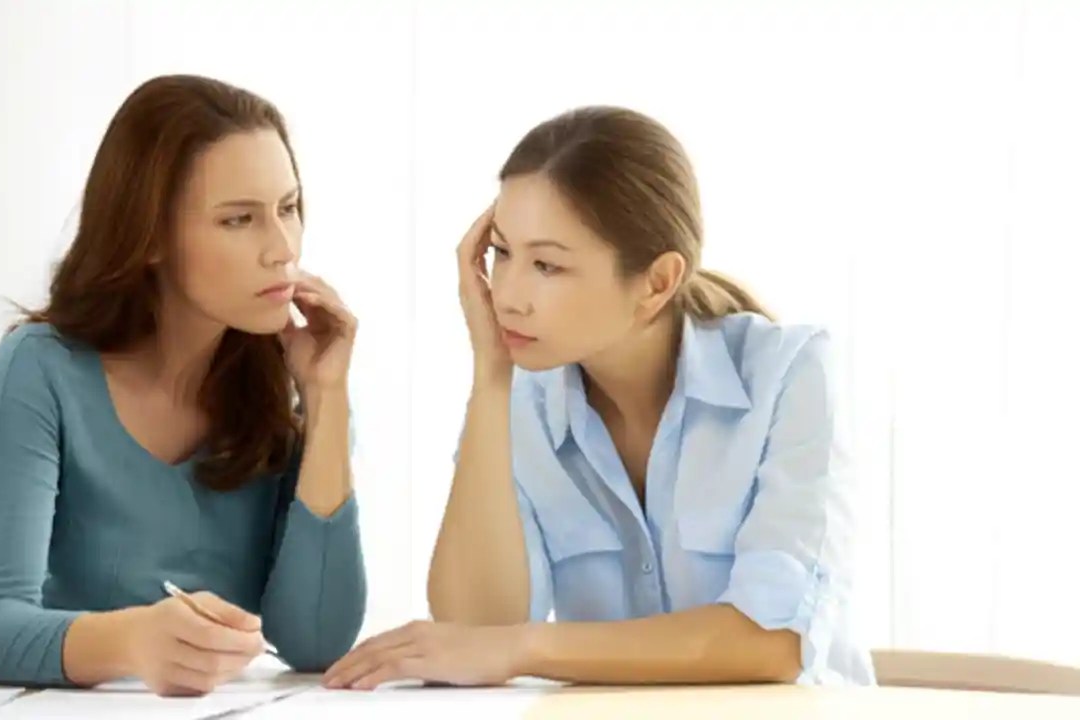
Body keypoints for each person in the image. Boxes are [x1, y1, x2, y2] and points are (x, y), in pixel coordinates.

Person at [324, 106, 874, 689]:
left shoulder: (790, 374)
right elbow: (474, 630)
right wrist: (490, 374)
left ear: (657, 282)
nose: (507, 296)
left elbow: (771, 643)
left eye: (547, 265)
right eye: (501, 253)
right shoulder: (523, 399)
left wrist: (526, 648)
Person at [0, 75, 366, 695]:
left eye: (288, 208)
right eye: (239, 219)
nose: (282, 248)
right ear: (149, 235)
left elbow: (313, 641)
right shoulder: (39, 370)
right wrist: (133, 641)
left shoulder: (294, 387)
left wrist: (328, 397)